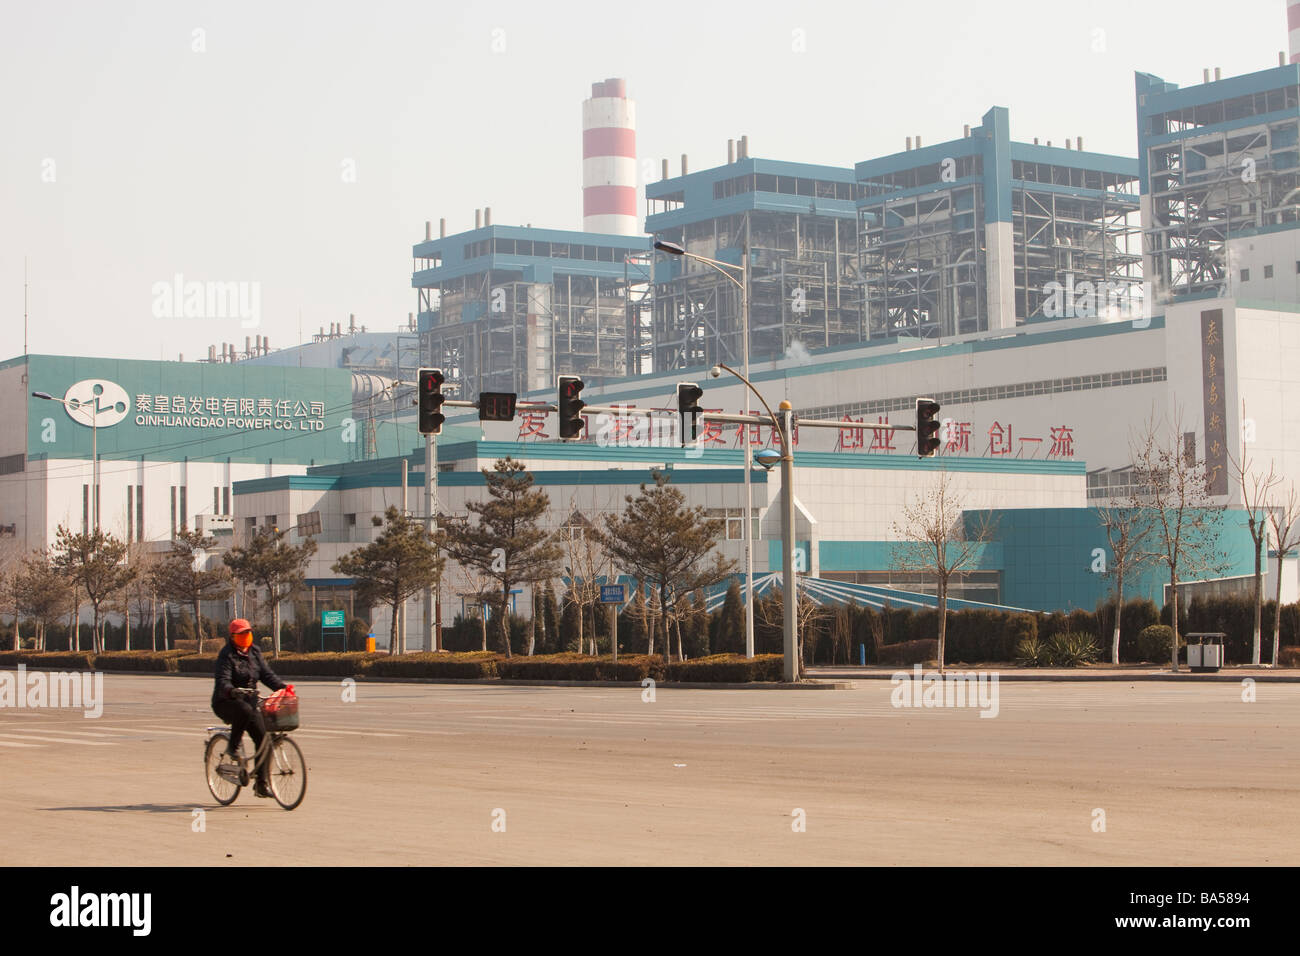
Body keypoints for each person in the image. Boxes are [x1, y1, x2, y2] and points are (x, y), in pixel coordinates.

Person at [212, 619, 288, 798]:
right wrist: (231, 690)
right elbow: (222, 679)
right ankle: (233, 746)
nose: (245, 637)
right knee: (243, 710)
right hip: (226, 702)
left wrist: (282, 688)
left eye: (247, 633)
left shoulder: (254, 652)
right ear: (232, 637)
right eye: (241, 634)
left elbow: (266, 674)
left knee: (264, 739)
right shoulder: (227, 655)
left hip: (249, 702)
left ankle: (261, 785)